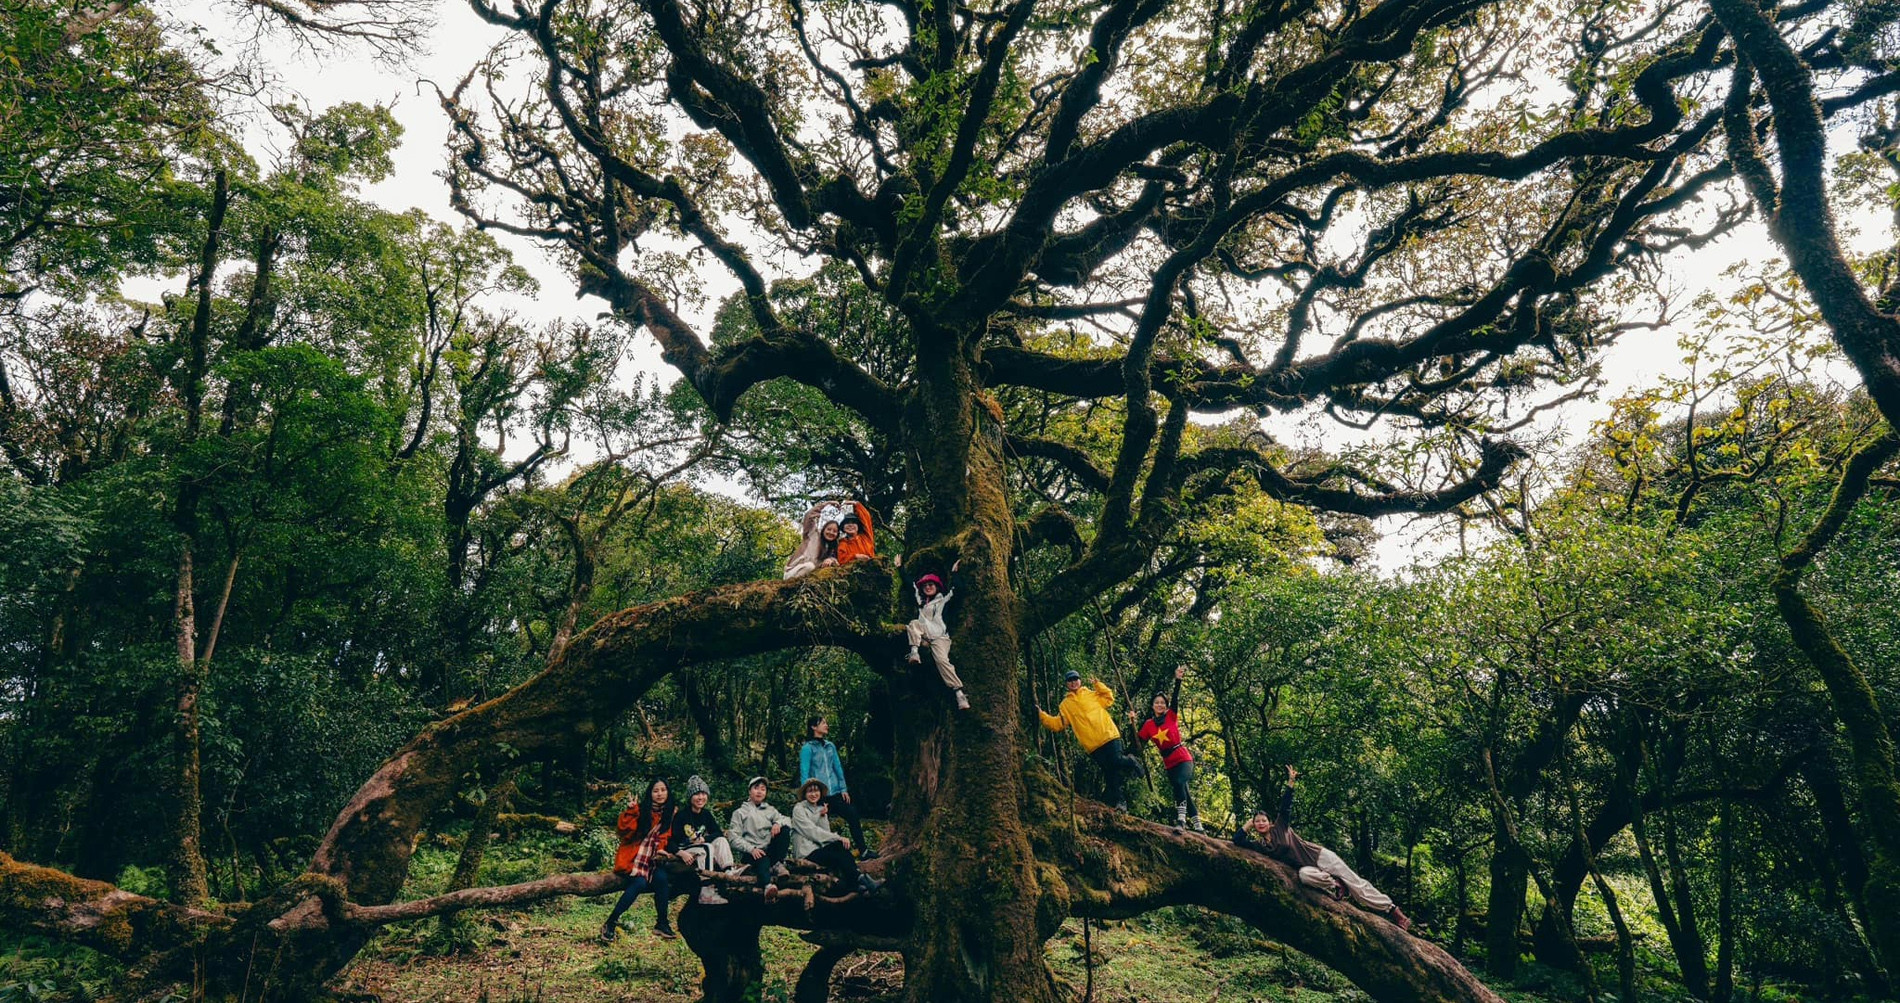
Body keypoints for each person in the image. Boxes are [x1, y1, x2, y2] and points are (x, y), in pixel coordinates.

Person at [1235, 766, 1411, 931]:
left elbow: (1286, 805)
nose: (1260, 823)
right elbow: (1237, 841)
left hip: (1320, 857)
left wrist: (1291, 782)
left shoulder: (1281, 826)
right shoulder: (1261, 846)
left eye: (1263, 820)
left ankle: (1394, 911)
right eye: (1257, 821)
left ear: (1270, 822)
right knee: (1304, 876)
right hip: (1312, 869)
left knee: (1357, 887)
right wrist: (1247, 824)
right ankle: (1336, 884)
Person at [1038, 670, 1144, 812]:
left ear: (1080, 680)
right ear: (1066, 684)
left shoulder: (1092, 694)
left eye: (1075, 679)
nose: (1073, 682)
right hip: (1093, 746)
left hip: (1109, 735)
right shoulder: (1065, 705)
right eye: (1070, 680)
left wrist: (1098, 684)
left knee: (1116, 760)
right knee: (1109, 772)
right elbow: (1058, 724)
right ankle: (1120, 802)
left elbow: (1109, 698)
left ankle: (1131, 761)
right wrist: (1041, 715)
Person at [601, 778, 678, 942]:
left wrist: (666, 851)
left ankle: (662, 923)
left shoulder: (672, 813)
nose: (660, 794)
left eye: (663, 790)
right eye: (656, 790)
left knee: (662, 879)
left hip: (656, 859)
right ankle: (611, 922)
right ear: (650, 793)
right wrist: (631, 811)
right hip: (635, 857)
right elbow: (624, 832)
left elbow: (671, 837)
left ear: (668, 792)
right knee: (640, 883)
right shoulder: (641, 810)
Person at [1131, 665, 1203, 832]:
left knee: (1179, 783)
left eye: (1163, 703)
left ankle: (1181, 821)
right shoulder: (1148, 725)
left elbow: (1176, 699)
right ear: (1152, 705)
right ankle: (1199, 827)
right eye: (1157, 702)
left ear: (1166, 705)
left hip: (1183, 758)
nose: (1160, 705)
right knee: (1183, 789)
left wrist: (1178, 680)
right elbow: (1138, 745)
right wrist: (1132, 724)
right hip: (1169, 763)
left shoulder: (1171, 715)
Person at [790, 779, 880, 896]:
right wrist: (838, 837)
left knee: (839, 846)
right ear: (805, 794)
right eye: (810, 792)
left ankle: (858, 883)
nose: (813, 794)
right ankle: (859, 881)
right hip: (806, 853)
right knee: (838, 845)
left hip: (820, 850)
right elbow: (812, 831)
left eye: (816, 791)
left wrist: (822, 816)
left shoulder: (820, 808)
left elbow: (826, 833)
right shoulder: (799, 809)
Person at [799, 716, 874, 857]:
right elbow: (804, 772)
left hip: (835, 793)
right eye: (823, 723)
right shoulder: (807, 749)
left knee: (852, 814)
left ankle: (863, 851)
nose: (826, 725)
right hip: (819, 796)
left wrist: (843, 789)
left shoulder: (830, 746)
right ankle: (817, 855)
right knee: (820, 826)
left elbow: (837, 768)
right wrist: (807, 796)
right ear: (813, 727)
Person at [906, 561, 970, 711]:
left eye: (931, 585)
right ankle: (914, 652)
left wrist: (955, 573)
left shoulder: (943, 600)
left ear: (937, 586)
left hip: (939, 637)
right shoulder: (921, 601)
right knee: (913, 624)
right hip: (923, 636)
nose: (928, 587)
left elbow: (959, 590)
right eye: (925, 585)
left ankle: (959, 693)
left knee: (942, 660)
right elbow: (911, 586)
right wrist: (900, 568)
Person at [728, 776, 793, 902]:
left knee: (784, 830)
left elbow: (787, 820)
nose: (759, 791)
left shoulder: (770, 810)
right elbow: (733, 837)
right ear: (749, 791)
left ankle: (778, 864)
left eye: (763, 789)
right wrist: (751, 849)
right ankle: (768, 887)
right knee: (762, 859)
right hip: (752, 853)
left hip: (769, 850)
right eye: (756, 788)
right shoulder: (740, 812)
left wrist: (777, 823)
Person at [669, 775, 732, 905]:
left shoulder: (706, 814)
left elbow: (718, 832)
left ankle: (729, 872)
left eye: (703, 794)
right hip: (684, 849)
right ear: (690, 797)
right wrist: (681, 853)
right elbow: (670, 841)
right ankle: (707, 889)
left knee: (721, 840)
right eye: (697, 794)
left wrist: (704, 838)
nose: (700, 797)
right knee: (707, 848)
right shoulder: (681, 816)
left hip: (700, 847)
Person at [784, 501, 843, 579]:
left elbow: (836, 562)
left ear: (837, 535)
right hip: (792, 572)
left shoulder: (830, 549)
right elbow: (809, 515)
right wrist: (827, 503)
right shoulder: (812, 535)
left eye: (835, 531)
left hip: (808, 577)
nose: (831, 532)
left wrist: (830, 560)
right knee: (810, 566)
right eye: (829, 529)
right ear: (823, 529)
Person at [833, 500, 876, 564]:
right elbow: (841, 559)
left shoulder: (866, 537)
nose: (850, 525)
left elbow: (866, 517)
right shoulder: (842, 543)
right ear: (843, 528)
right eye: (847, 523)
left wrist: (856, 504)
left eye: (853, 523)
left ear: (858, 526)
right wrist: (855, 556)